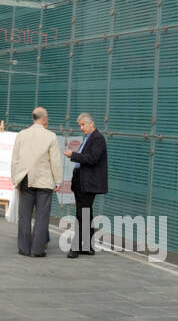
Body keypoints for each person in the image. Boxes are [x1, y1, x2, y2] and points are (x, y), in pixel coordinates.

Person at [10, 107, 62, 257]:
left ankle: (24, 248)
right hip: (44, 181)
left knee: (25, 215)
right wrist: (58, 180)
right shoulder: (51, 136)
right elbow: (55, 161)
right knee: (42, 216)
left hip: (25, 179)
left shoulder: (21, 135)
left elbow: (15, 159)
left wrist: (15, 178)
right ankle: (38, 249)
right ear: (44, 119)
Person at [65, 112, 108, 258]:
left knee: (81, 214)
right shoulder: (89, 138)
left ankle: (76, 247)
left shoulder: (98, 138)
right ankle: (88, 246)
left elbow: (92, 159)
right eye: (80, 125)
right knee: (86, 213)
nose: (81, 128)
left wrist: (73, 155)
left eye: (83, 125)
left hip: (88, 183)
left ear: (91, 124)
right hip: (81, 181)